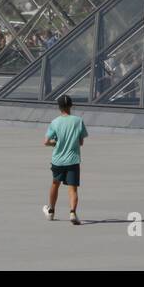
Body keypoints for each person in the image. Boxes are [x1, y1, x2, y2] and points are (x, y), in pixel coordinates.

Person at [43, 94, 88, 223]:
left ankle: (51, 211)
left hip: (58, 160)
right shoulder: (78, 121)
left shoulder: (55, 122)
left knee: (55, 184)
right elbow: (81, 142)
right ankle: (73, 212)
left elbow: (46, 141)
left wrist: (55, 143)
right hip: (73, 159)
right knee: (73, 188)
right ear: (71, 106)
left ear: (59, 107)